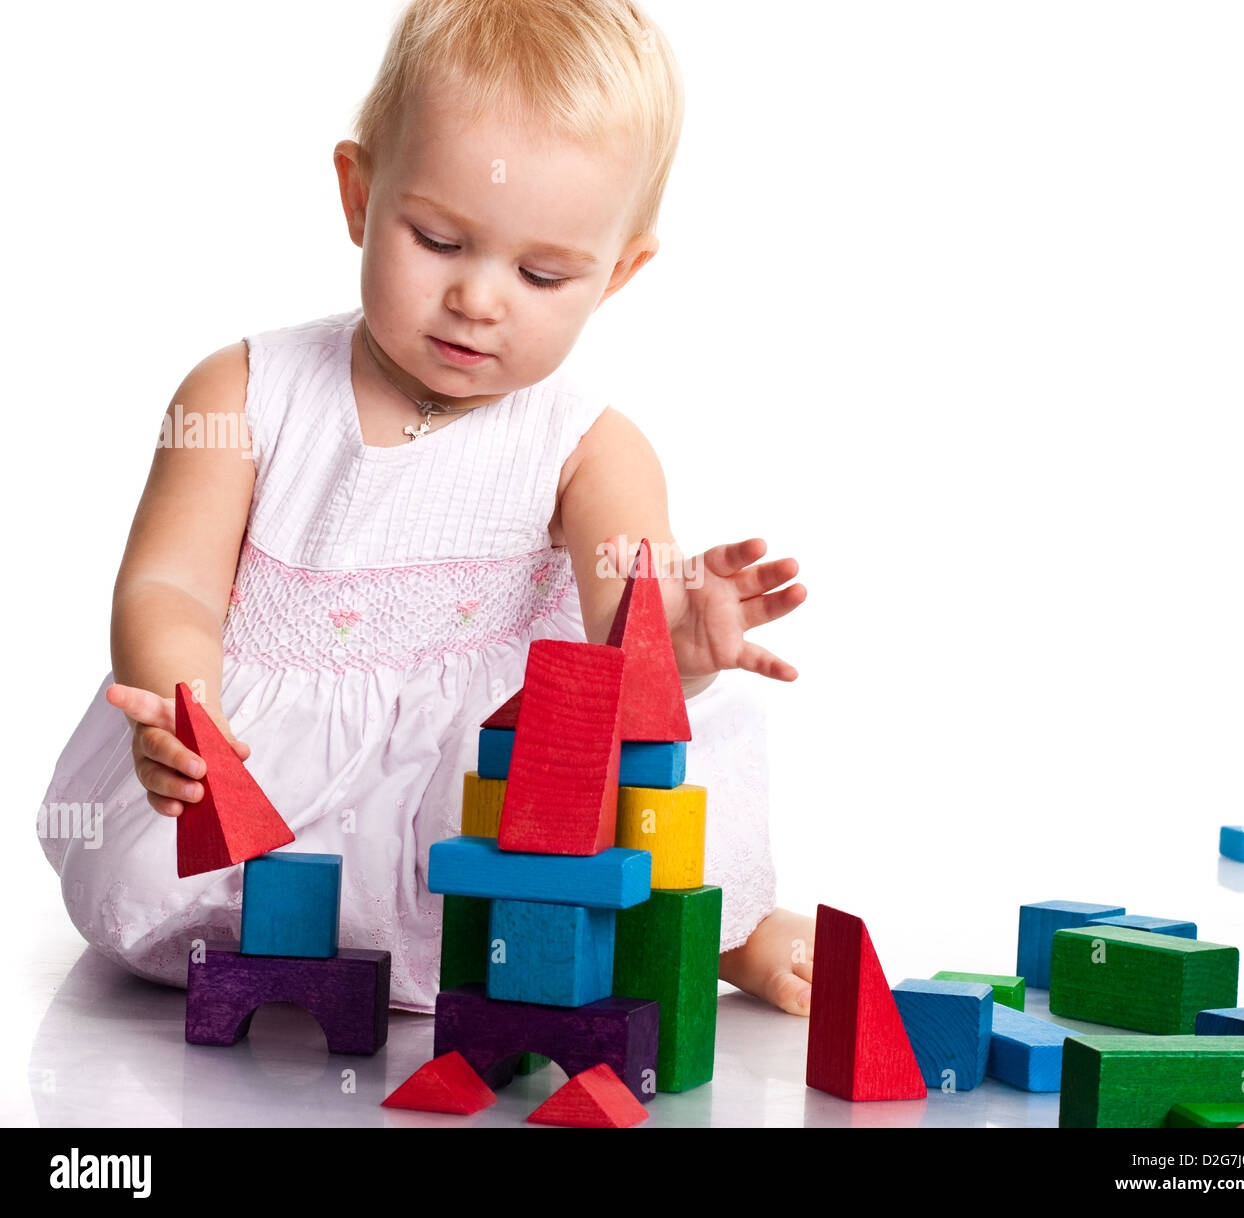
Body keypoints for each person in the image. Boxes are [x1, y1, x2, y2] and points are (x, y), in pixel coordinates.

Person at [36, 0, 814, 1016]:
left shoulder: (589, 446)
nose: (480, 300)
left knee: (609, 845)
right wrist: (183, 704)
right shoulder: (240, 390)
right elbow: (171, 581)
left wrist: (680, 639)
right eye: (439, 239)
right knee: (153, 881)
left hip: (477, 793)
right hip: (269, 772)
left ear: (617, 273)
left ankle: (726, 939)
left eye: (542, 273)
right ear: (360, 195)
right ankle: (268, 948)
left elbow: (620, 638)